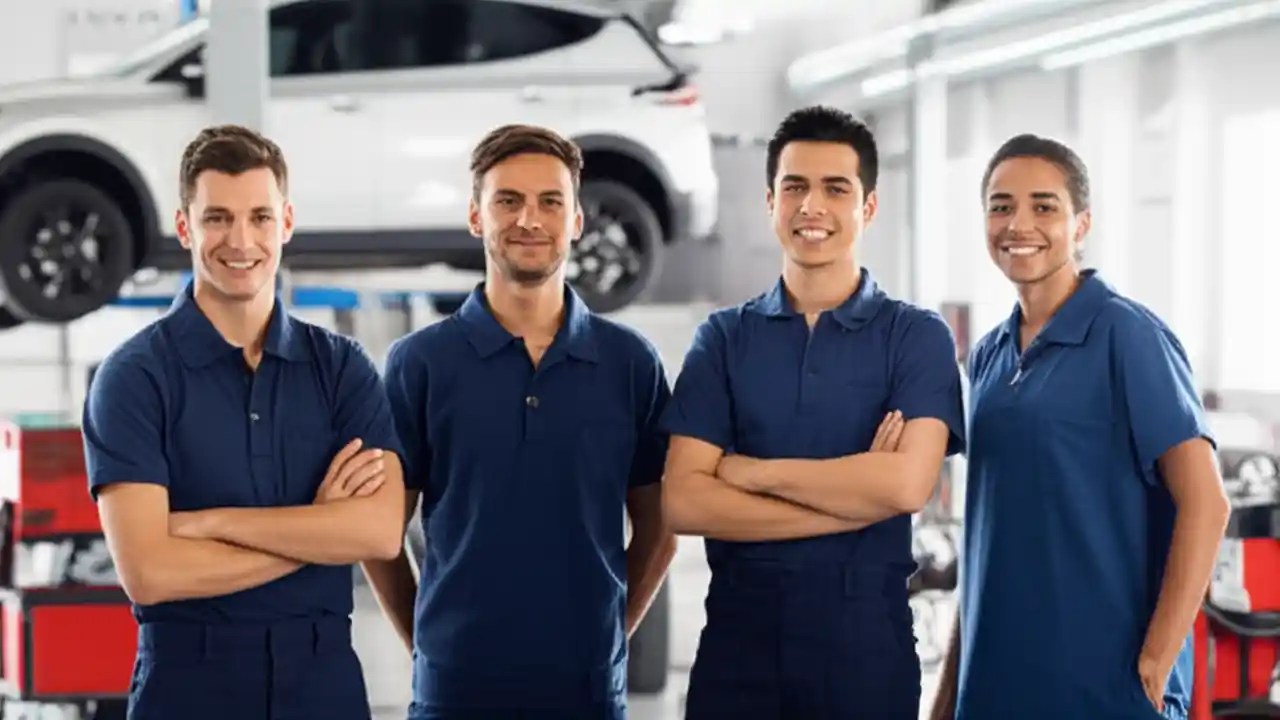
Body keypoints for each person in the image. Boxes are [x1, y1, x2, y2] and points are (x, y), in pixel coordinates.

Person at [83, 125, 407, 720]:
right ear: (184, 227)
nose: (240, 240)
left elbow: (380, 532)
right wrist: (317, 533)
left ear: (286, 223)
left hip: (323, 684)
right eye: (216, 218)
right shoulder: (133, 378)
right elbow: (150, 573)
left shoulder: (340, 369)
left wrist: (210, 524)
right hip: (187, 687)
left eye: (260, 216)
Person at [661, 104, 967, 719]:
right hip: (736, 653)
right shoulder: (723, 340)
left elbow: (906, 484)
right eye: (795, 187)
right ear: (770, 200)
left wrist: (751, 472)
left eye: (836, 188)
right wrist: (854, 496)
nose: (812, 206)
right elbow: (684, 502)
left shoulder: (914, 337)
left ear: (868, 207)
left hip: (864, 656)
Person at [362, 124, 677, 720]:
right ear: (477, 217)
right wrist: (430, 645)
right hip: (454, 695)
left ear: (576, 219)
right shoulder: (420, 363)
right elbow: (380, 538)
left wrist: (609, 638)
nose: (529, 219)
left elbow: (660, 529)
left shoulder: (629, 363)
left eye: (550, 201)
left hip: (586, 696)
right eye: (507, 200)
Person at [928, 134, 1230, 720]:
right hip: (995, 687)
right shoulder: (988, 357)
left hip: (1102, 689)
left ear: (1081, 223)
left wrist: (1156, 661)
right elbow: (987, 539)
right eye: (1000, 205)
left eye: (1044, 206)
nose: (1019, 224)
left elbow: (1207, 503)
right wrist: (947, 695)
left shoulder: (1128, 336)